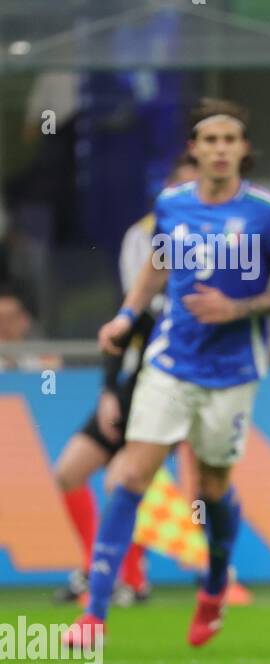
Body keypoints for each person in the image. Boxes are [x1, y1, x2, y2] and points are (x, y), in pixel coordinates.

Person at [62, 98, 270, 650]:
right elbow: (157, 264)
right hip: (170, 361)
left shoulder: (267, 214)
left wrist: (241, 309)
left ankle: (214, 585)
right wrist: (128, 316)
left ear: (244, 150)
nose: (220, 149)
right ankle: (95, 613)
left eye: (231, 139)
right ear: (194, 150)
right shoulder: (172, 205)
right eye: (210, 140)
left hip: (232, 372)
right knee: (129, 476)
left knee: (212, 487)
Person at [51, 154, 199, 607]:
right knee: (69, 472)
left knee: (125, 479)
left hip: (176, 379)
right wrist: (109, 391)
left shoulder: (224, 241)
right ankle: (96, 568)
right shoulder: (144, 236)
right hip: (134, 380)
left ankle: (134, 578)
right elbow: (128, 317)